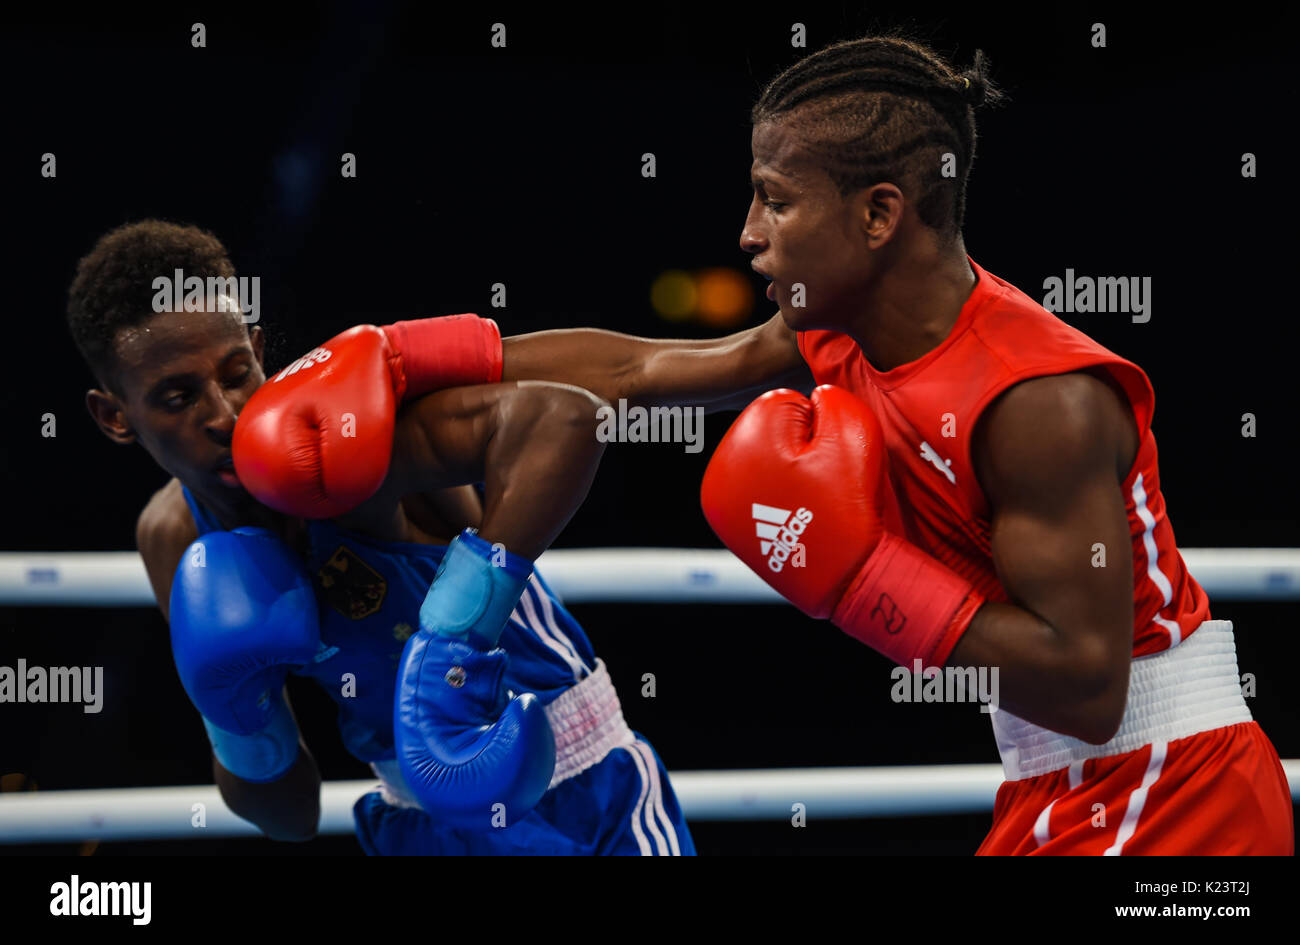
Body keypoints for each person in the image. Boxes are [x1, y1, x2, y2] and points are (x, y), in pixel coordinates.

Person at [485, 35, 1292, 854]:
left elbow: (1088, 687)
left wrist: (863, 575)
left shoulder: (1039, 401)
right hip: (1059, 784)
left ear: (877, 214)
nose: (748, 233)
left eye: (776, 200)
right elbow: (638, 366)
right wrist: (422, 355)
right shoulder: (838, 334)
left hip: (1177, 793)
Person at [69, 219, 692, 855]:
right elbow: (293, 818)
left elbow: (562, 418)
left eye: (236, 373)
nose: (223, 415)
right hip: (417, 829)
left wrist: (455, 632)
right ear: (115, 416)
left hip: (582, 787)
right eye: (177, 397)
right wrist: (238, 724)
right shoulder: (172, 539)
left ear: (259, 349)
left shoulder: (352, 446)